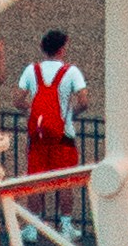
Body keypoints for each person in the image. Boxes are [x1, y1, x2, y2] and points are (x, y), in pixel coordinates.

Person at [18, 27, 88, 190]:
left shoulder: (31, 70)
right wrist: (70, 114)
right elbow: (84, 102)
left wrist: (33, 113)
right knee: (65, 185)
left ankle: (37, 207)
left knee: (35, 185)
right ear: (62, 49)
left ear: (43, 48)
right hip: (64, 135)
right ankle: (63, 209)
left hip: (38, 135)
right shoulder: (71, 72)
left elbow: (17, 100)